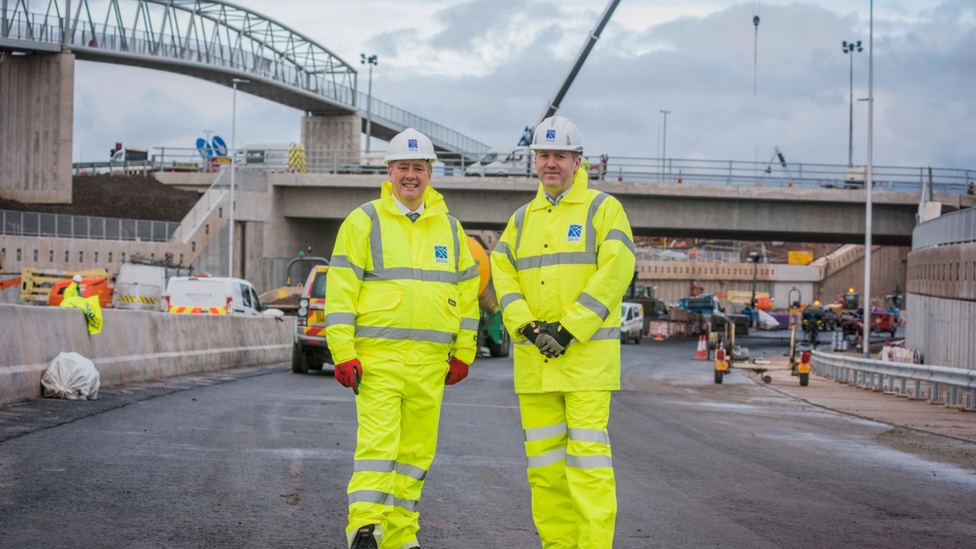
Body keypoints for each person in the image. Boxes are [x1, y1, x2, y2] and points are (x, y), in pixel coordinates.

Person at [325, 128, 481, 549]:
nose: (410, 176)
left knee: (414, 456)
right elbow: (340, 291)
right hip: (377, 361)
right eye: (403, 168)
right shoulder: (365, 221)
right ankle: (366, 529)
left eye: (419, 168)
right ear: (389, 171)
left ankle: (400, 537)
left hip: (431, 365)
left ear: (430, 173)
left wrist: (464, 352)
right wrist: (343, 351)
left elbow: (467, 295)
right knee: (377, 448)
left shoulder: (450, 230)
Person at [490, 116, 636, 548]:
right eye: (544, 156)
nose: (551, 164)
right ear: (534, 161)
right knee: (545, 471)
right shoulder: (521, 220)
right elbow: (504, 276)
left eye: (560, 156)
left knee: (589, 467)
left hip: (586, 366)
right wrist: (529, 328)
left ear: (577, 161)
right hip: (536, 366)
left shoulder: (601, 209)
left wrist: (570, 329)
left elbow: (617, 269)